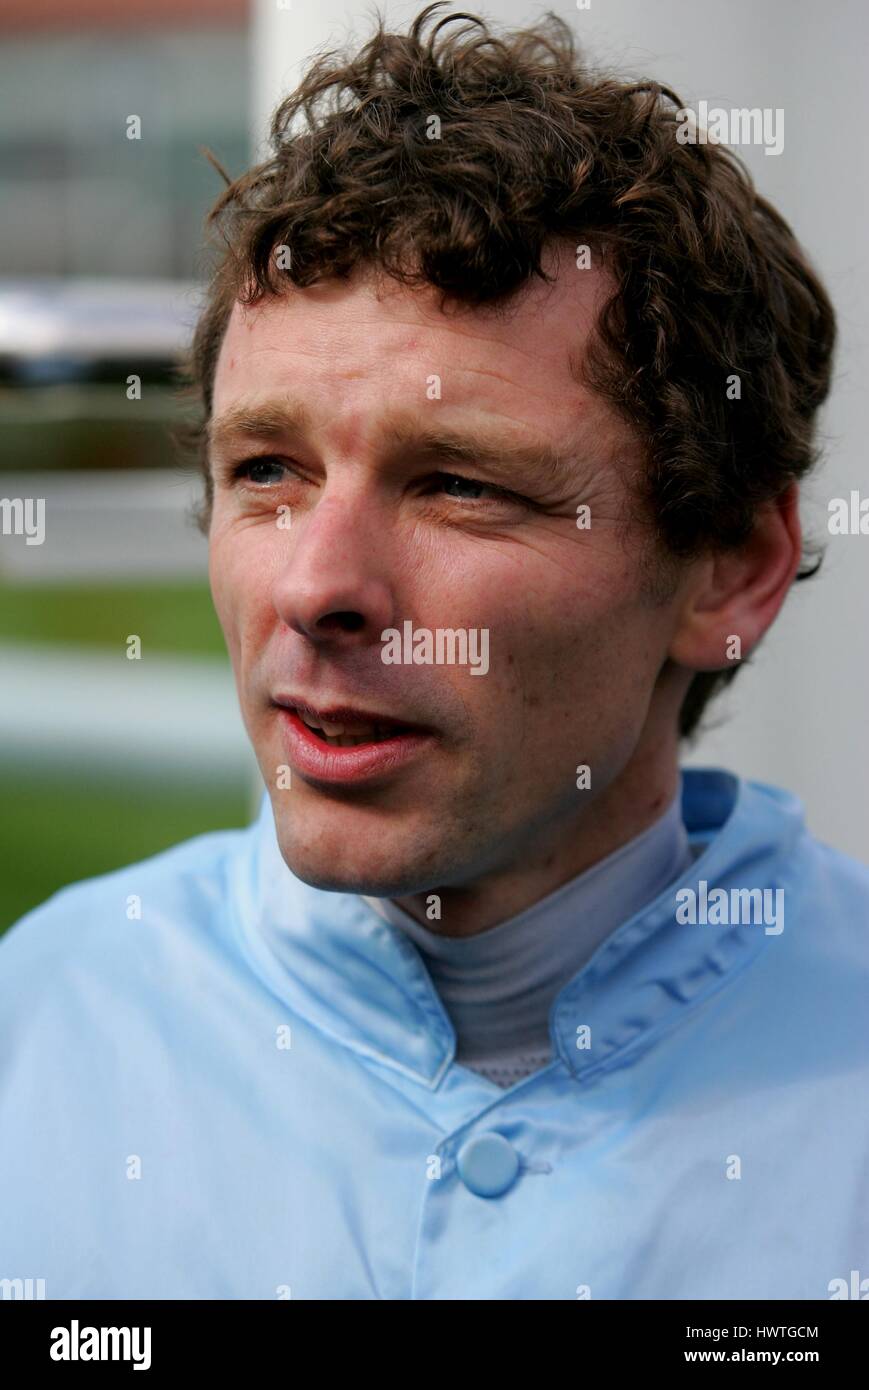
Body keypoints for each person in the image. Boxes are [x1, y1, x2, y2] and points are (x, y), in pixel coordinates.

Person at [1, 4, 866, 1301]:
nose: (315, 585)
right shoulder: (37, 1032)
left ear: (730, 567)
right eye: (267, 470)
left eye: (459, 483)